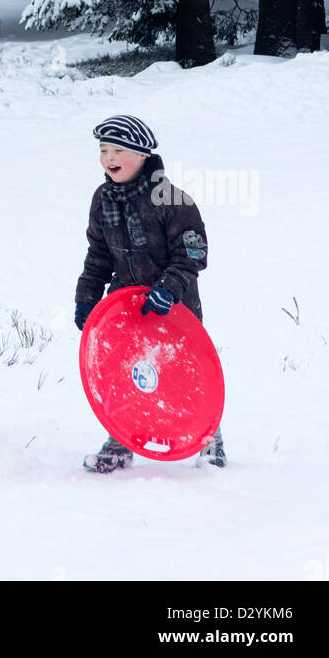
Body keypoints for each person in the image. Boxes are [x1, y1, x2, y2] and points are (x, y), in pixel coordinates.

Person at [74, 114, 226, 472]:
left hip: (174, 307)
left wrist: (168, 290)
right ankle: (121, 442)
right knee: (122, 373)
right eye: (103, 150)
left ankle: (209, 436)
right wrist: (87, 297)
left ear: (141, 154)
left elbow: (193, 255)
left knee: (183, 373)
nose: (108, 157)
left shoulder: (171, 199)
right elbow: (98, 256)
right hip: (125, 306)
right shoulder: (103, 199)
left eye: (118, 150)